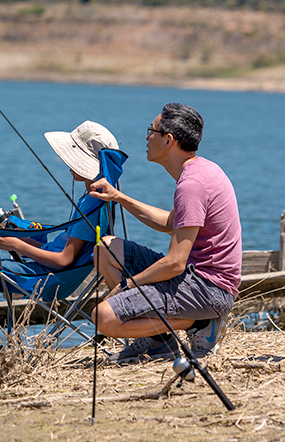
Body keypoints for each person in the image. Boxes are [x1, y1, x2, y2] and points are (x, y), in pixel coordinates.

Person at [0, 120, 123, 368]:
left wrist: (18, 245)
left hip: (48, 278)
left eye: (73, 157)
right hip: (54, 272)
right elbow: (67, 246)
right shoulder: (102, 198)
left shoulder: (91, 204)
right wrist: (25, 234)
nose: (68, 165)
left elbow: (64, 260)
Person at [88, 102, 241, 363]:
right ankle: (160, 342)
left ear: (168, 140)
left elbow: (174, 263)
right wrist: (119, 197)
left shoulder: (191, 184)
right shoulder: (201, 170)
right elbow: (170, 223)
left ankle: (200, 323)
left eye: (151, 131)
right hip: (196, 277)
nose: (147, 137)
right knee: (105, 249)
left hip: (209, 289)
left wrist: (126, 286)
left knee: (102, 317)